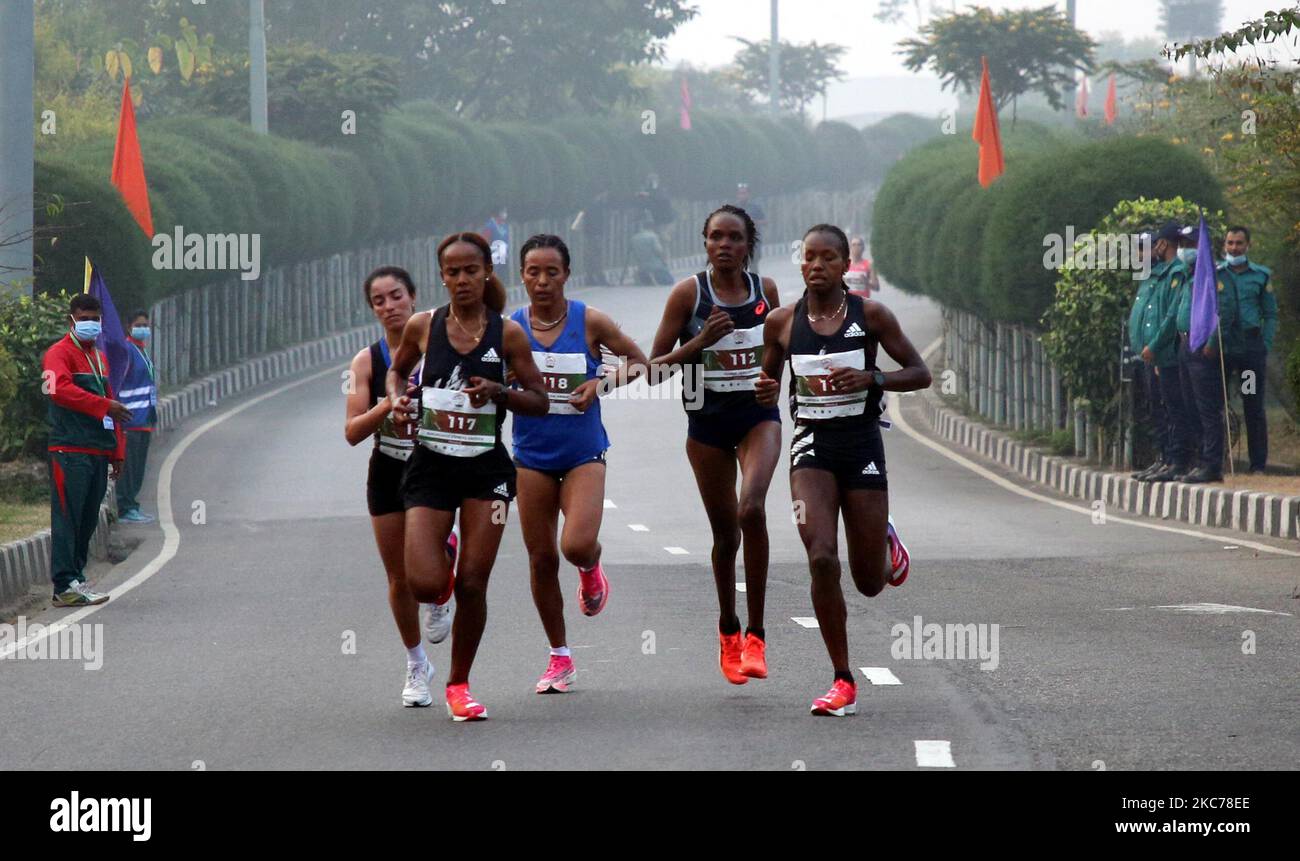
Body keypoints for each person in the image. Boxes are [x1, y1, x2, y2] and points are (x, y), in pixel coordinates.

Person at [754, 224, 931, 717]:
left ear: (843, 265)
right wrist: (766, 391)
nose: (816, 266)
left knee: (869, 581)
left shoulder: (870, 315)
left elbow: (920, 372)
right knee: (821, 558)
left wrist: (872, 377)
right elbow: (768, 378)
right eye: (809, 257)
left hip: (862, 445)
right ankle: (842, 679)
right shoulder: (784, 323)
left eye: (827, 258)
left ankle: (885, 541)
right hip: (811, 447)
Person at [386, 232, 549, 721]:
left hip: (487, 471)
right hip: (431, 467)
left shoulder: (508, 334)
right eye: (452, 272)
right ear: (442, 277)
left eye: (470, 271)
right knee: (422, 584)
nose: (462, 280)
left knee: (473, 584)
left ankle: (459, 683)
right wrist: (396, 400)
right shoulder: (423, 326)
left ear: (485, 275)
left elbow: (539, 401)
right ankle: (444, 554)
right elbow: (397, 373)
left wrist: (500, 392)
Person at [509, 234, 649, 693]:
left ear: (567, 274)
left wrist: (601, 385)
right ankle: (560, 657)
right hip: (531, 456)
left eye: (552, 271)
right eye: (533, 271)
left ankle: (591, 569)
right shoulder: (511, 329)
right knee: (541, 558)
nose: (543, 281)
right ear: (523, 275)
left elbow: (639, 362)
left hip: (583, 452)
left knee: (575, 544)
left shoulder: (590, 321)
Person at [648, 204, 782, 686]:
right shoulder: (689, 294)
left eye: (735, 238)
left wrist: (772, 382)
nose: (724, 245)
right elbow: (654, 366)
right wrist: (699, 341)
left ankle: (757, 635)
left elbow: (777, 349)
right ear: (704, 243)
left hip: (757, 419)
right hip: (706, 424)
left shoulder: (765, 291)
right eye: (715, 237)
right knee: (726, 535)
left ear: (749, 245)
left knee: (753, 511)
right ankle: (728, 629)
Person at [344, 266, 459, 708]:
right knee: (399, 577)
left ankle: (440, 576)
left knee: (423, 572)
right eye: (379, 300)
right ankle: (416, 664)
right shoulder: (367, 362)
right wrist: (388, 407)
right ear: (372, 309)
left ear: (413, 297)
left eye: (396, 296)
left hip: (436, 467)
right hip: (388, 469)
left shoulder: (443, 343)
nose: (390, 306)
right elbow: (353, 431)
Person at [42, 294, 129, 607]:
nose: (90, 324)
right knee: (69, 517)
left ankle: (75, 578)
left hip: (96, 450)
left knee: (89, 518)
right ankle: (64, 584)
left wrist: (116, 450)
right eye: (84, 318)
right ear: (71, 320)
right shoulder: (58, 354)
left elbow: (111, 407)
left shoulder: (99, 358)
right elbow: (59, 391)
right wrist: (105, 405)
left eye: (95, 318)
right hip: (69, 450)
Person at [1142, 222, 1199, 482]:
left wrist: (1155, 346)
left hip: (1174, 353)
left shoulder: (1178, 272)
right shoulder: (1161, 272)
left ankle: (1180, 460)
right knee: (1163, 407)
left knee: (1179, 408)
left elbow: (1170, 315)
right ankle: (1167, 458)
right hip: (1161, 355)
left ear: (1163, 243)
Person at [1218, 226, 1277, 474]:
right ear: (1224, 246)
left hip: (1249, 350)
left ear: (1247, 245)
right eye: (1230, 243)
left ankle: (1257, 465)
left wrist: (1264, 344)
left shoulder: (1260, 276)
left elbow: (1270, 314)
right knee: (1216, 404)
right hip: (1222, 347)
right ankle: (1215, 459)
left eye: (1239, 243)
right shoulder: (1215, 274)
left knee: (1252, 404)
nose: (1234, 248)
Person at [115, 310, 158, 523]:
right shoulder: (127, 351)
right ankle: (125, 507)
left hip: (144, 420)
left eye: (146, 325)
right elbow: (116, 384)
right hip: (130, 420)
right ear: (129, 326)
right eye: (139, 324)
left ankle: (132, 505)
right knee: (129, 468)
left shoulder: (141, 350)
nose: (144, 329)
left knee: (138, 467)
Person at [631, 217, 674, 286]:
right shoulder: (653, 236)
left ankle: (645, 278)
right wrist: (664, 260)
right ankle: (654, 278)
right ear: (652, 227)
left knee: (647, 280)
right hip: (655, 266)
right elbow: (659, 251)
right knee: (669, 281)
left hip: (642, 266)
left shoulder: (634, 238)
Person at [735, 184, 767, 274]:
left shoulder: (755, 207)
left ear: (748, 194)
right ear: (737, 195)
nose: (742, 195)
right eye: (740, 193)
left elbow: (765, 221)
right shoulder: (734, 208)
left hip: (754, 241)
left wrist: (754, 221)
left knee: (754, 266)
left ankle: (756, 286)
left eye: (744, 193)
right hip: (739, 242)